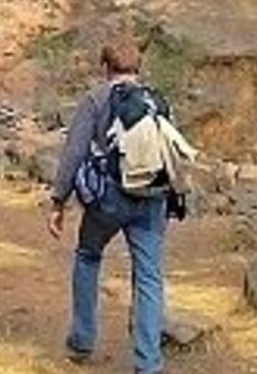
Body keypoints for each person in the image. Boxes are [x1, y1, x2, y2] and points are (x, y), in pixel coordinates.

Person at [48, 42, 177, 374]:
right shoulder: (154, 100)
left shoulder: (97, 98)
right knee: (149, 276)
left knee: (88, 256)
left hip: (110, 198)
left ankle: (81, 341)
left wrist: (58, 201)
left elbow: (74, 151)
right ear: (138, 67)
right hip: (150, 198)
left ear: (106, 67)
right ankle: (148, 363)